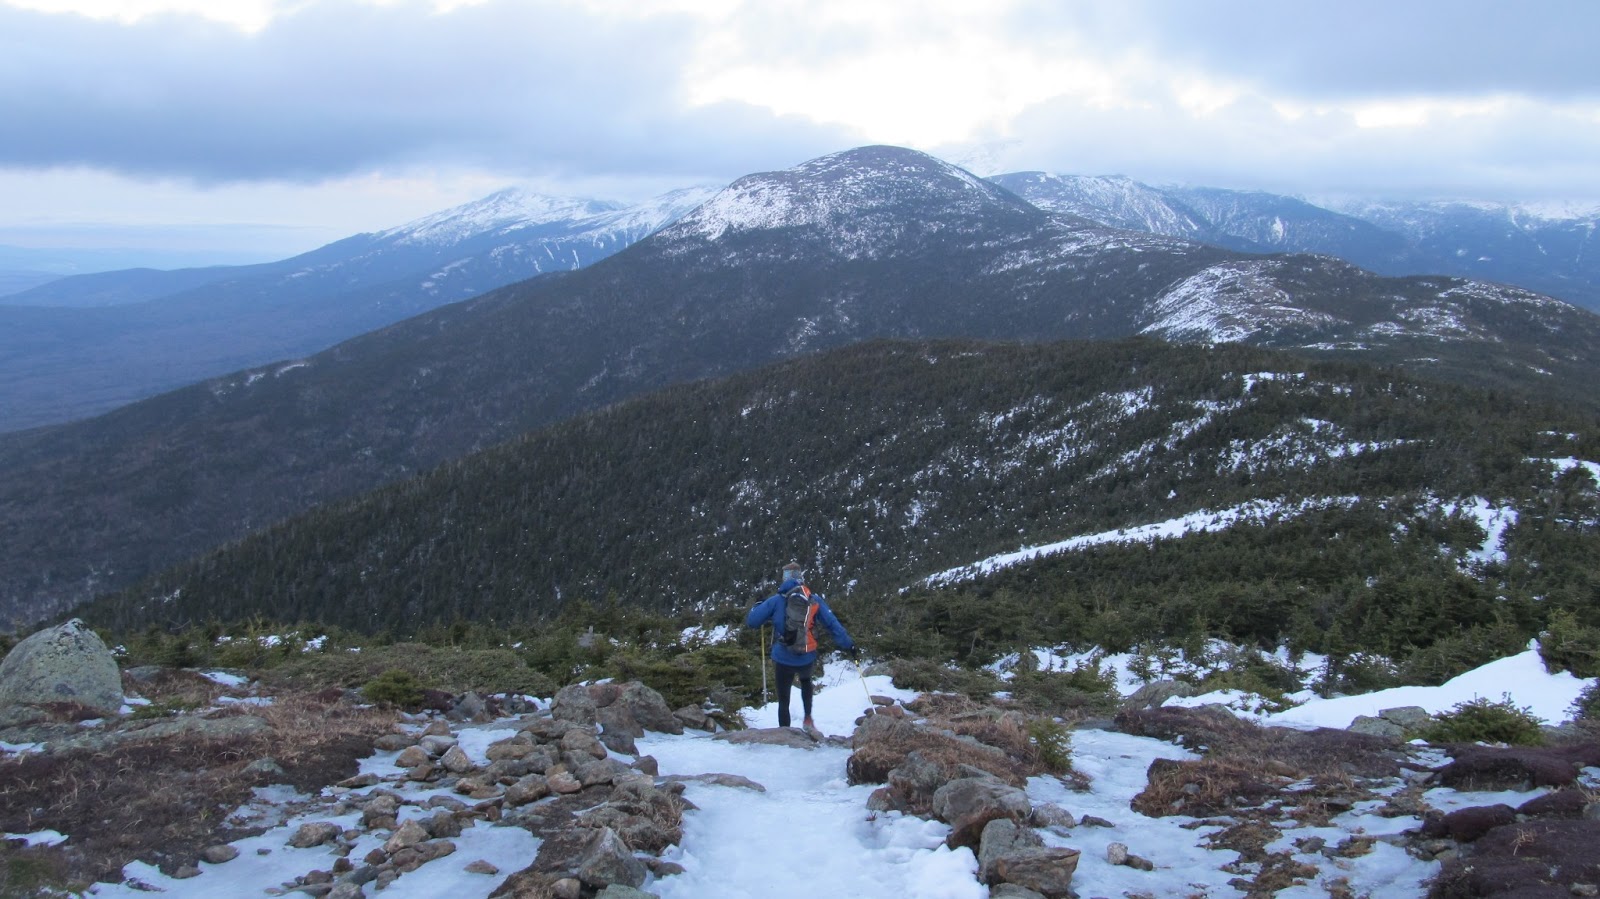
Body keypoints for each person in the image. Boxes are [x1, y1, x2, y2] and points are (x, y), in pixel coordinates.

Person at [746, 561, 858, 731]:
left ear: (784, 578)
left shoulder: (776, 600)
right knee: (806, 683)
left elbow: (753, 622)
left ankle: (785, 732)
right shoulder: (814, 600)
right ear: (800, 577)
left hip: (783, 656)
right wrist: (849, 645)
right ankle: (807, 719)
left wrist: (758, 606)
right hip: (807, 654)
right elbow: (832, 624)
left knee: (784, 699)